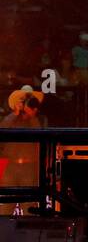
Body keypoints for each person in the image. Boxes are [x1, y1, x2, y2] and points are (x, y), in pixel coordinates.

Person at [0, 86, 45, 216]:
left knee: (29, 206)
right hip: (10, 167)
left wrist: (31, 115)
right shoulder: (10, 120)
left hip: (29, 168)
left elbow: (39, 135)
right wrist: (15, 113)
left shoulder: (38, 120)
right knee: (6, 205)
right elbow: (2, 129)